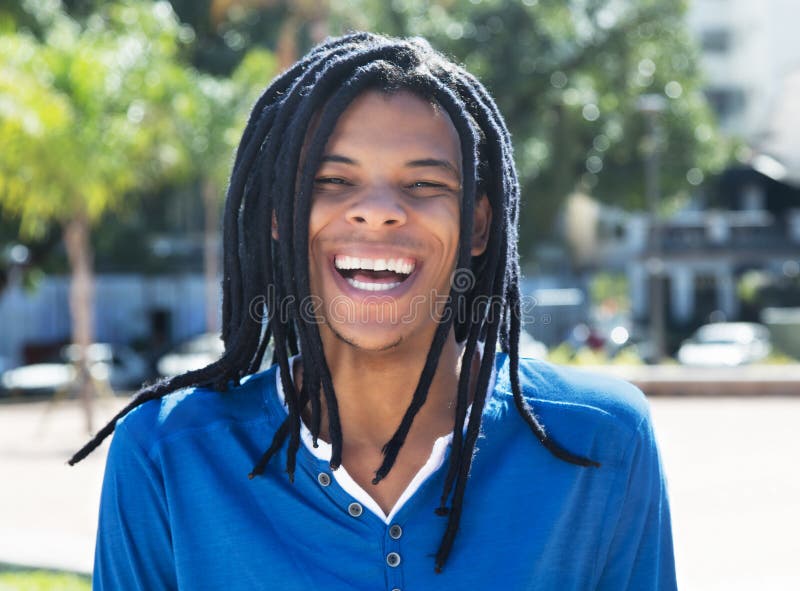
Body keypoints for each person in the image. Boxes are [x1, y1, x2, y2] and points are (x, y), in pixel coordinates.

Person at [72, 32, 677, 590]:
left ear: (480, 225)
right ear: (279, 216)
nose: (378, 211)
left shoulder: (599, 439)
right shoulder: (168, 454)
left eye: (423, 185)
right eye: (333, 180)